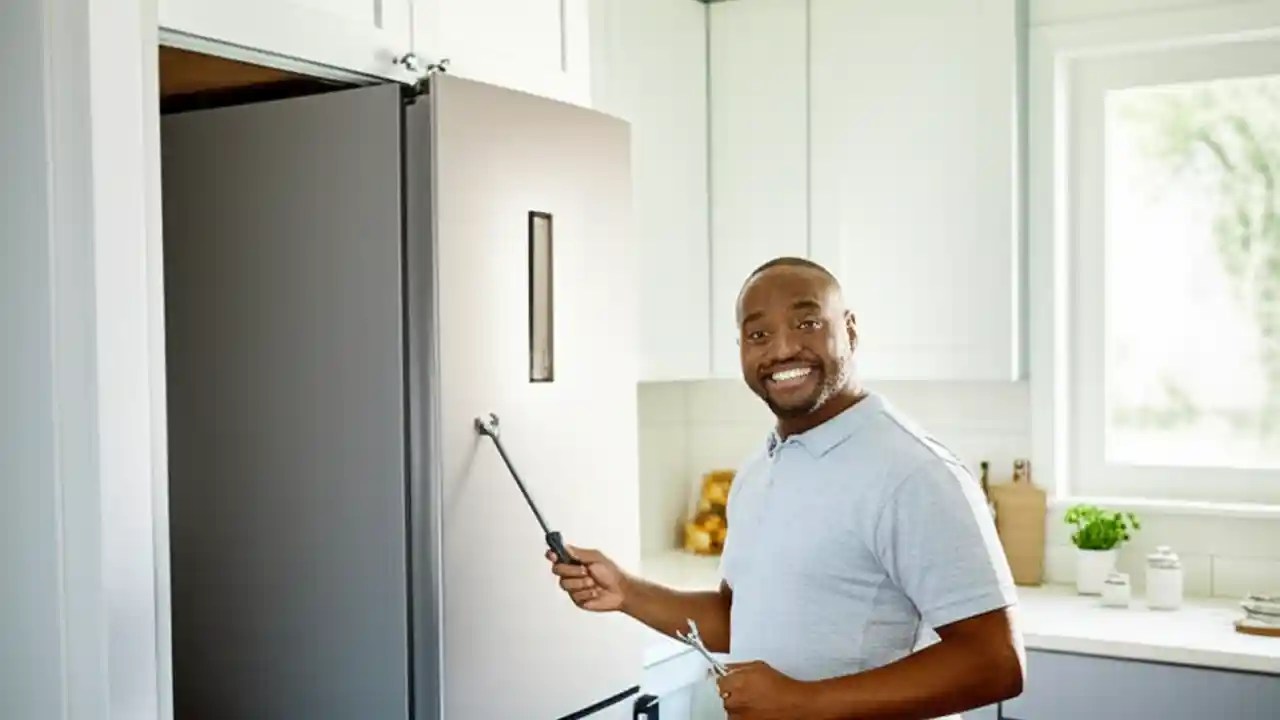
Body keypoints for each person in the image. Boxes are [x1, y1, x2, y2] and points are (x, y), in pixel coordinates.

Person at [548, 256, 1025, 720]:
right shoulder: (760, 467)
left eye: (807, 324)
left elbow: (995, 662)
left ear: (850, 330)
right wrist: (626, 591)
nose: (781, 350)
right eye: (759, 334)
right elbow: (738, 617)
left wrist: (802, 703)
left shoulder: (914, 472)